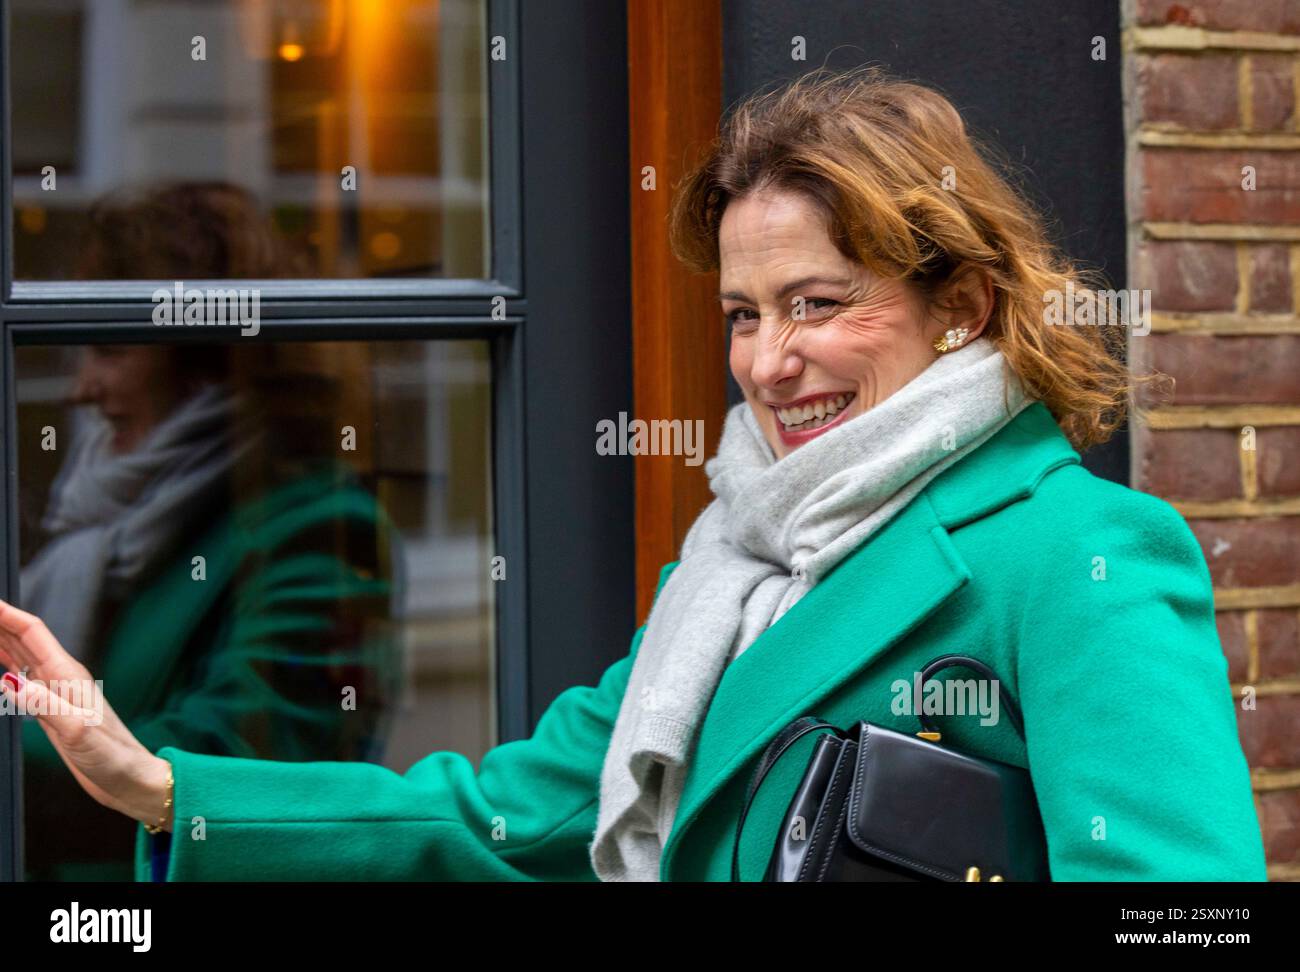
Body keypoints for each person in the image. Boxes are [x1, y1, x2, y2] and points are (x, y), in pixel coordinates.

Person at [0, 66, 1267, 881]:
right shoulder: (731, 564)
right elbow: (508, 813)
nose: (769, 362)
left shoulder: (1079, 556)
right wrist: (164, 787)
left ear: (963, 307)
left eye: (817, 303)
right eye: (741, 313)